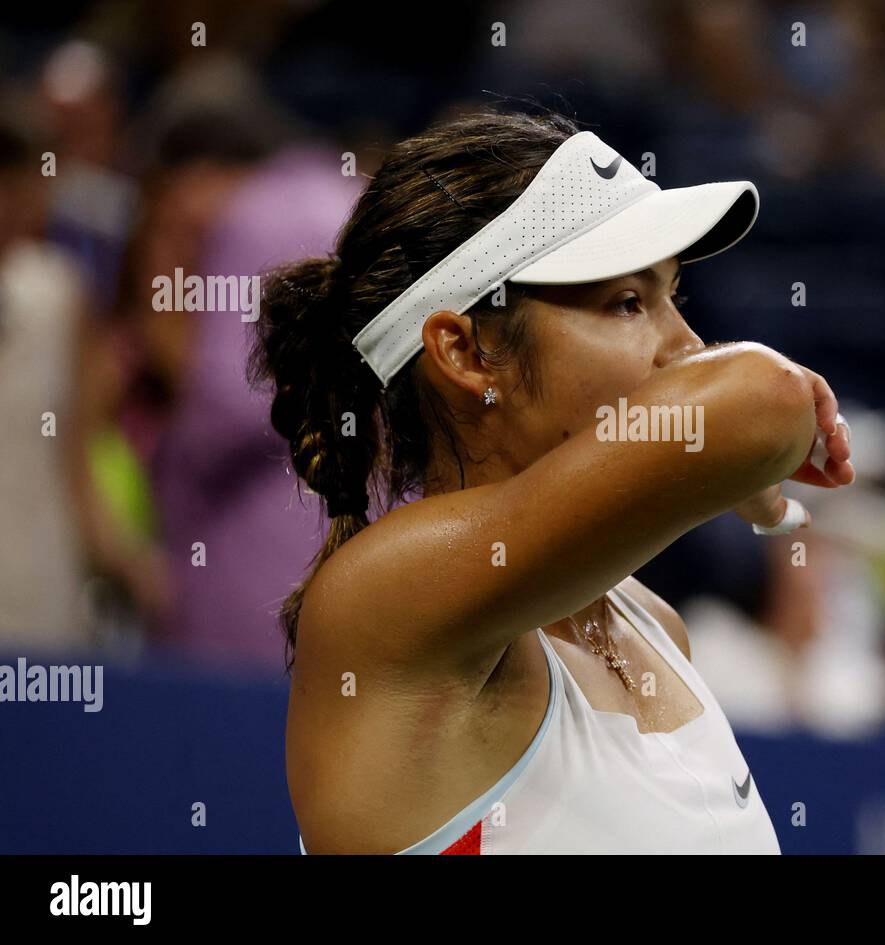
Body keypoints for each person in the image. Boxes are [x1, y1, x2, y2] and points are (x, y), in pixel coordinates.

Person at [249, 108, 854, 854]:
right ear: (466, 354)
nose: (689, 347)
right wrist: (731, 451)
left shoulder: (653, 626)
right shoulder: (383, 599)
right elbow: (769, 397)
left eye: (674, 298)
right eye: (628, 303)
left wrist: (728, 456)